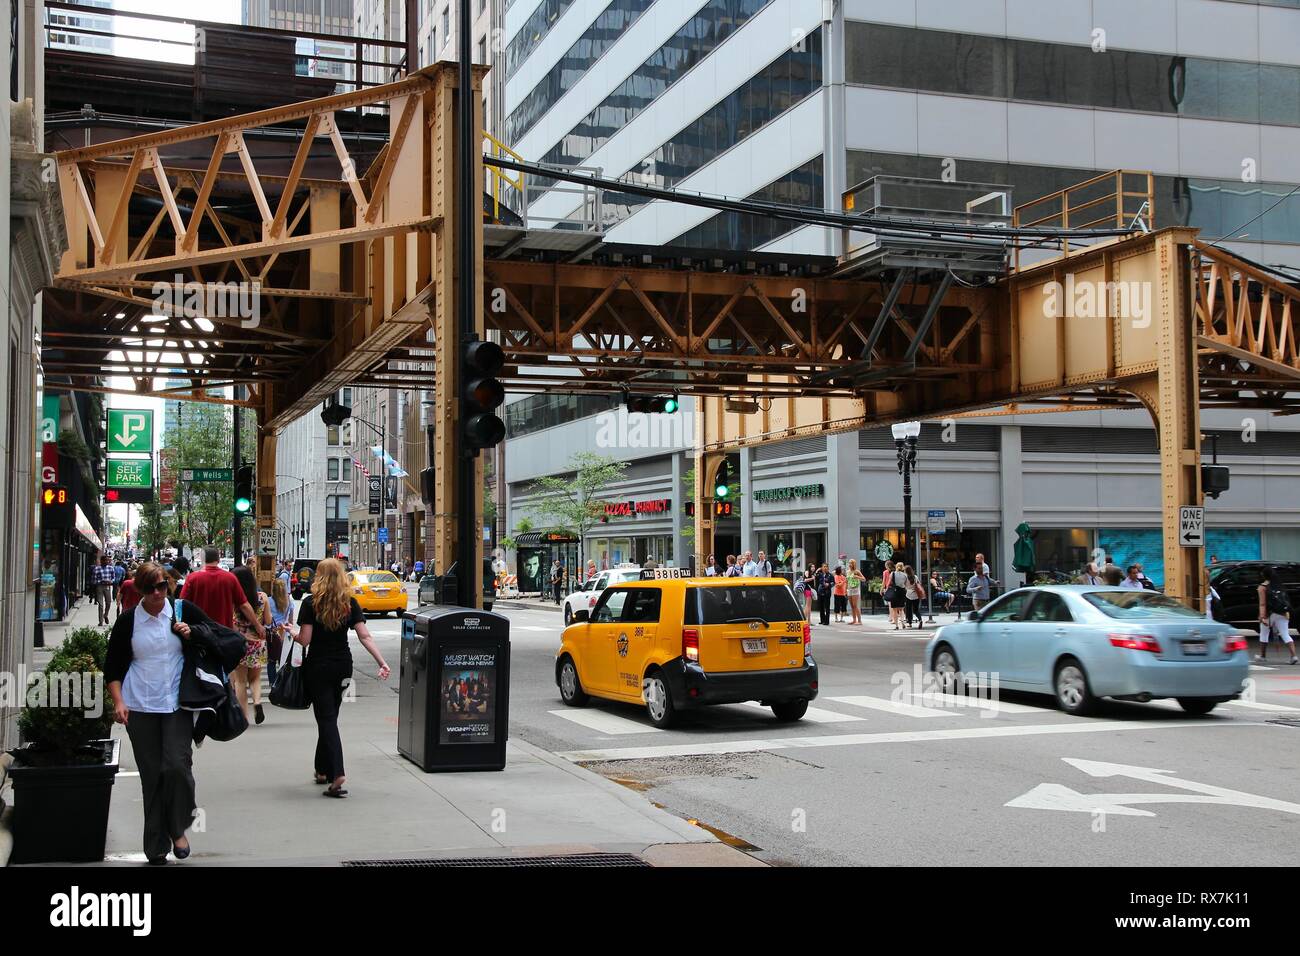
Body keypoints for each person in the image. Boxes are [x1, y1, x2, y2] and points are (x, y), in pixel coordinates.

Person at [105, 562, 210, 864]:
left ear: (168, 585)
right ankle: (155, 845)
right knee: (152, 777)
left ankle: (178, 828)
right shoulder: (128, 622)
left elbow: (213, 634)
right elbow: (112, 668)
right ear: (139, 589)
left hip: (177, 704)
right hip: (140, 706)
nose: (156, 593)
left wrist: (193, 633)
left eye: (161, 586)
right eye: (149, 588)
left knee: (177, 766)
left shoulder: (181, 611)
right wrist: (118, 701)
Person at [293, 559, 391, 796]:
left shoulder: (310, 603)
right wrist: (382, 662)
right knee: (330, 717)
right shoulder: (350, 603)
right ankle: (322, 769)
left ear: (320, 577)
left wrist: (291, 633)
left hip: (318, 666)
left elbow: (305, 640)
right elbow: (365, 636)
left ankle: (337, 773)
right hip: (343, 667)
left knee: (326, 718)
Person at [181, 547, 263, 633]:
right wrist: (257, 625)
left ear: (202, 559)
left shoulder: (192, 578)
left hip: (200, 632)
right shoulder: (230, 578)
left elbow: (182, 604)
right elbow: (244, 605)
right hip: (224, 633)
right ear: (218, 559)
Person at [230, 566, 272, 726]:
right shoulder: (262, 597)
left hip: (239, 643)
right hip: (258, 643)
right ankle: (257, 702)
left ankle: (243, 715)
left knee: (240, 681)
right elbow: (268, 621)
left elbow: (229, 620)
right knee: (254, 679)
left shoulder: (233, 599)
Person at [1257, 568, 1297, 664]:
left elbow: (1262, 604)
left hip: (1269, 613)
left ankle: (1263, 656)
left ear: (1264, 576)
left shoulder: (1262, 587)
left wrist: (1262, 617)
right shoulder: (1279, 585)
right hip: (1282, 613)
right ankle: (1294, 656)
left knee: (1264, 633)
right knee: (1285, 634)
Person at [92, 554, 115, 625]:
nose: (106, 561)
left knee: (108, 602)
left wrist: (111, 581)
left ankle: (105, 615)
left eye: (107, 560)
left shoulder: (111, 568)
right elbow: (93, 580)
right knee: (101, 604)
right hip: (100, 586)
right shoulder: (97, 569)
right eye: (105, 560)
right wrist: (101, 581)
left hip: (108, 586)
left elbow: (113, 578)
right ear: (101, 561)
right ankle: (100, 621)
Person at [888, 562, 909, 629]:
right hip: (902, 592)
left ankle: (897, 625)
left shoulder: (892, 573)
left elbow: (889, 583)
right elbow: (906, 585)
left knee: (894, 610)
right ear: (903, 567)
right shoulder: (905, 575)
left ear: (896, 567)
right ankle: (903, 623)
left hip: (895, 591)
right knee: (901, 609)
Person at [847, 559, 864, 625]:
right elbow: (847, 581)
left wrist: (857, 576)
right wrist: (846, 589)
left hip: (855, 589)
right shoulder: (848, 572)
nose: (850, 564)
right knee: (852, 606)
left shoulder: (857, 571)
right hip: (849, 589)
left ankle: (859, 621)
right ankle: (854, 620)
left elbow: (864, 579)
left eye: (851, 563)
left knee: (855, 605)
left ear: (854, 564)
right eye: (849, 563)